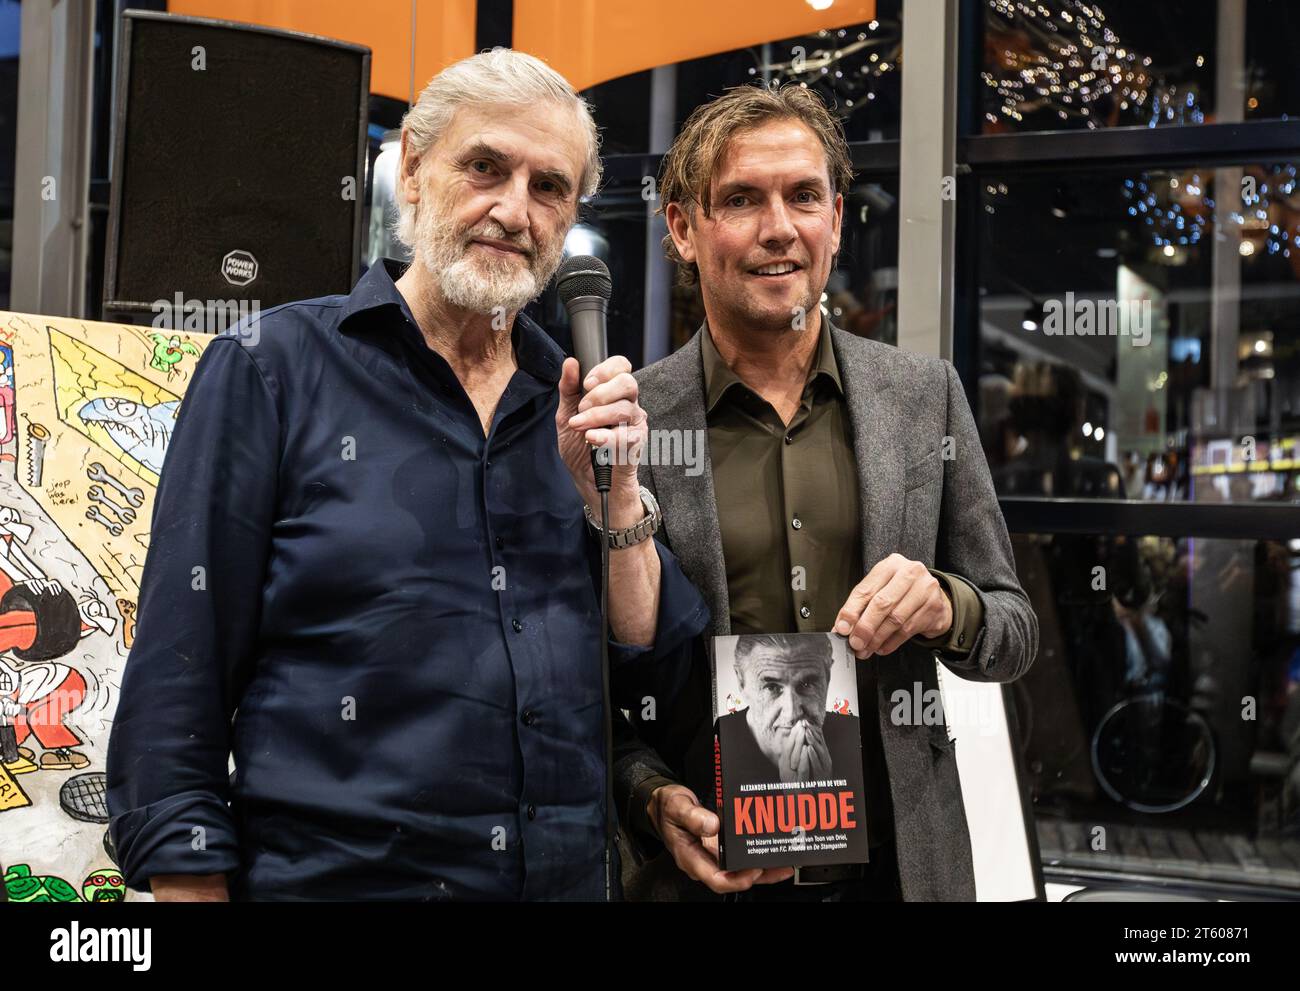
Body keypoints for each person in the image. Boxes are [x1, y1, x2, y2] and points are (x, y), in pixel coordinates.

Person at [106, 49, 708, 902]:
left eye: (549, 187)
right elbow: (178, 686)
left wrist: (613, 501)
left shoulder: (579, 405)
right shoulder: (271, 369)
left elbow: (655, 674)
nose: (513, 209)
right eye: (486, 167)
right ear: (416, 172)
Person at [615, 83, 1038, 902]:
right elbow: (596, 686)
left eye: (804, 196)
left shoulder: (924, 398)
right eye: (741, 199)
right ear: (681, 228)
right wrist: (651, 799)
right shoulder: (632, 425)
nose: (780, 228)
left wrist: (946, 604)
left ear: (836, 221)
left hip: (904, 872)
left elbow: (1013, 629)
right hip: (708, 875)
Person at [717, 633, 858, 785]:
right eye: (771, 687)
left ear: (828, 676)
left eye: (807, 684)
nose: (792, 715)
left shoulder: (856, 734)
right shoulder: (718, 738)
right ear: (741, 682)